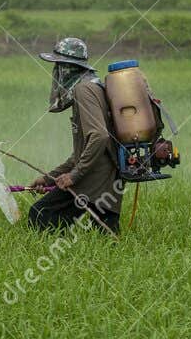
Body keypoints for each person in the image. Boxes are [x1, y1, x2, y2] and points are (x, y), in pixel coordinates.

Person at [28, 37, 122, 236]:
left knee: (41, 214)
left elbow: (99, 136)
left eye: (58, 66)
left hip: (94, 177)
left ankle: (55, 260)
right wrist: (49, 178)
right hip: (108, 175)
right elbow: (81, 151)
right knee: (105, 235)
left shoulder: (83, 90)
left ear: (68, 67)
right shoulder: (93, 85)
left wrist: (74, 175)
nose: (56, 72)